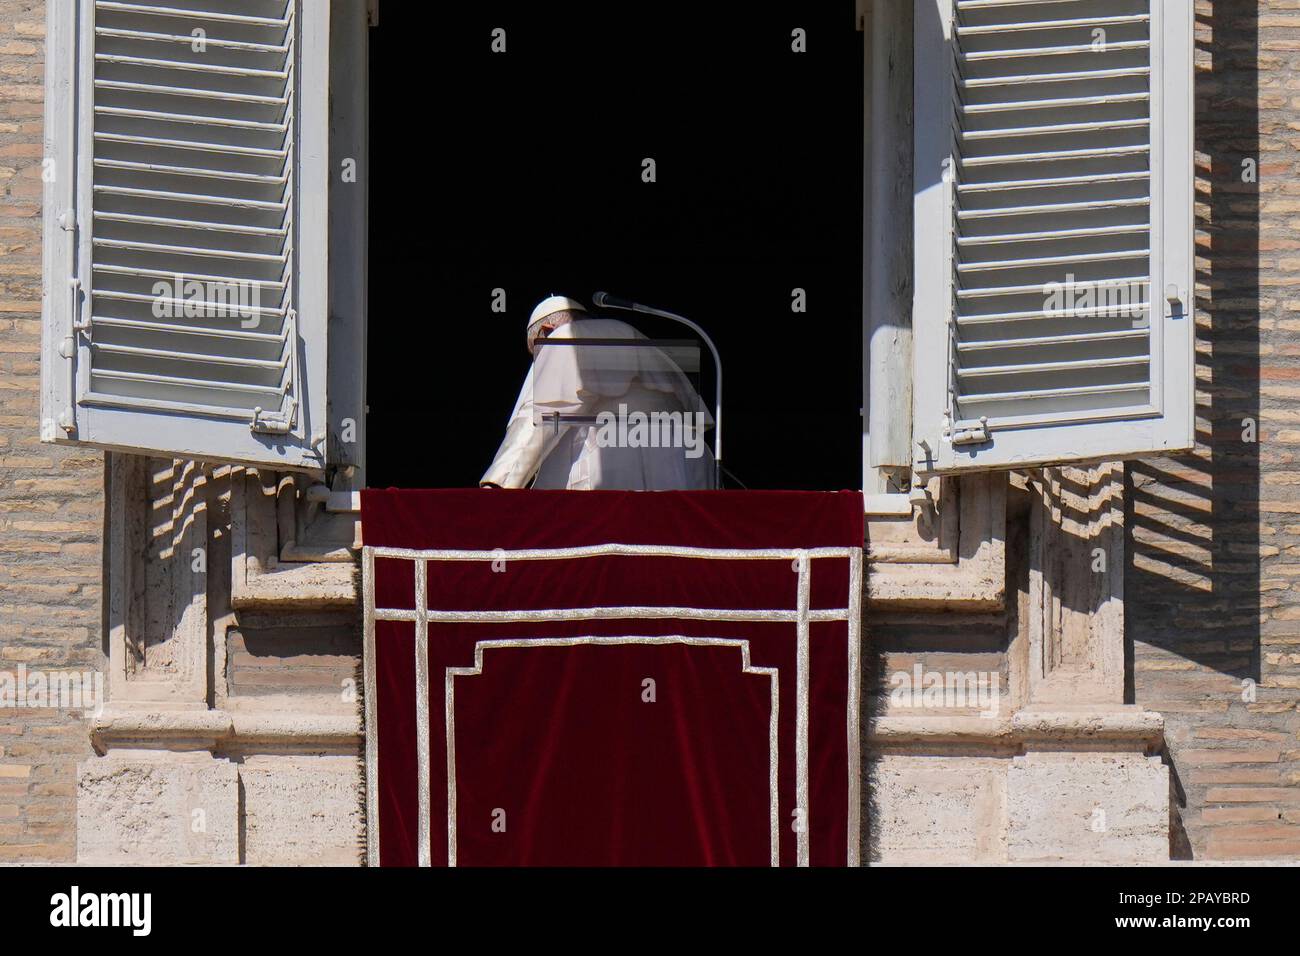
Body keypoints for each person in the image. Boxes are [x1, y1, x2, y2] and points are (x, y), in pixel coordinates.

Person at [480, 295, 714, 490]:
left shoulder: (563, 338)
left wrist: (500, 484)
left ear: (545, 331)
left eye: (536, 354)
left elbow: (542, 414)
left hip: (615, 470)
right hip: (686, 469)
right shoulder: (637, 339)